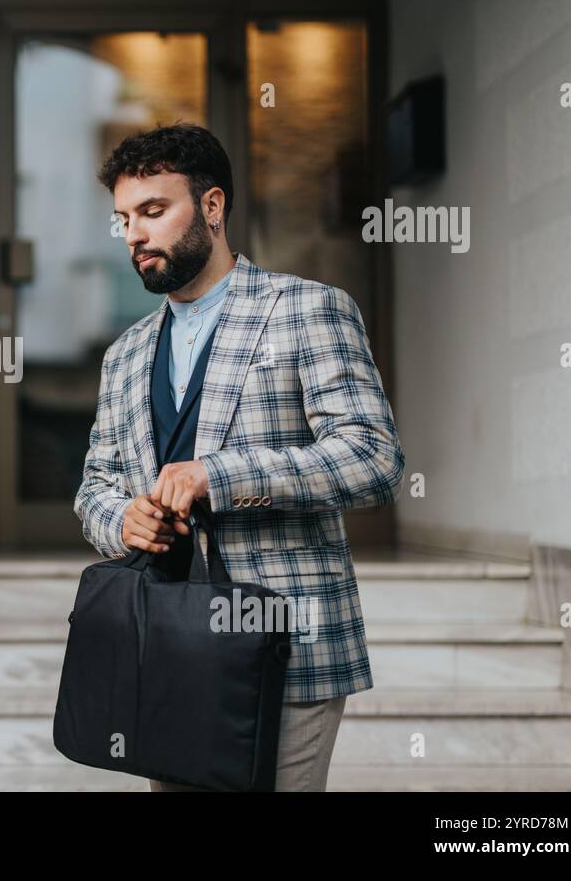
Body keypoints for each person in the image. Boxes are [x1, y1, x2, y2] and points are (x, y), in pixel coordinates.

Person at [74, 123, 405, 791]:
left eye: (154, 211)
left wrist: (220, 476)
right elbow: (96, 486)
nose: (134, 234)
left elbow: (374, 458)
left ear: (214, 207)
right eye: (123, 219)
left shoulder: (307, 309)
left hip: (286, 641)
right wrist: (121, 521)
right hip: (165, 643)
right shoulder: (127, 352)